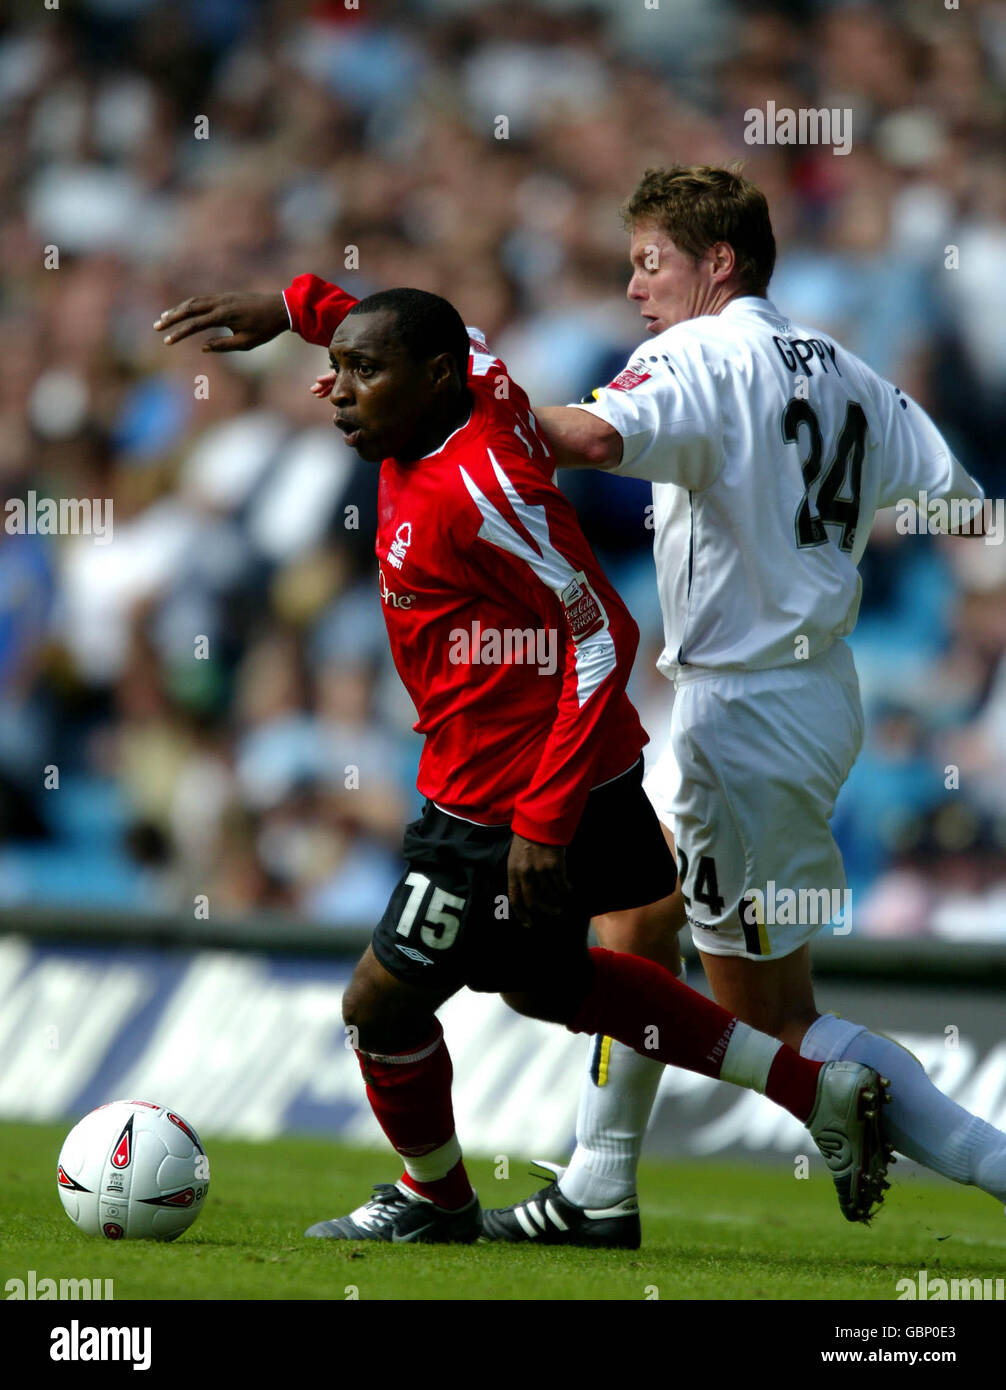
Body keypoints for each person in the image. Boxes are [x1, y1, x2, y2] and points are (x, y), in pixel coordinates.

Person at [155, 282, 890, 1243]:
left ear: (431, 382)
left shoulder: (484, 490)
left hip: (506, 798)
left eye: (361, 373)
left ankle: (433, 1202)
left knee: (379, 1006)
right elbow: (414, 328)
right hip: (528, 771)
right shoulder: (463, 377)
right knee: (550, 985)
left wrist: (542, 824)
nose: (335, 390)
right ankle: (812, 1089)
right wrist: (292, 308)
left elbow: (602, 636)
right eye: (339, 367)